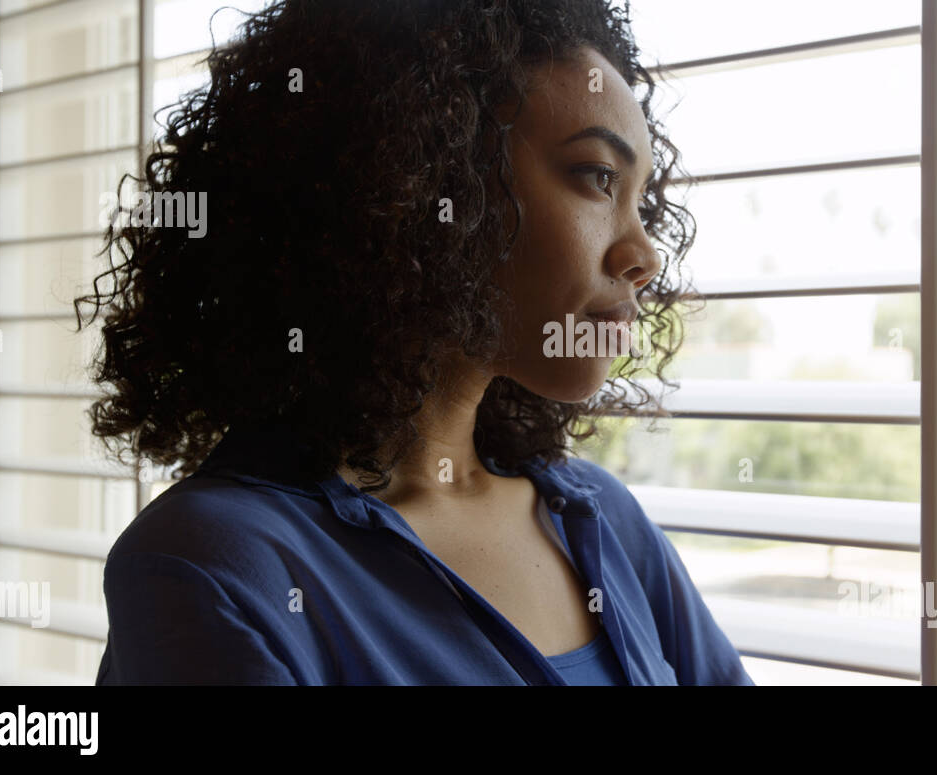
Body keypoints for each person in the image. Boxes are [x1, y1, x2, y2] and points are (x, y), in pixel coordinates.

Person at [78, 0, 753, 686]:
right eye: (598, 176)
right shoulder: (215, 566)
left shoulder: (601, 518)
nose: (645, 253)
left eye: (642, 198)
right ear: (424, 173)